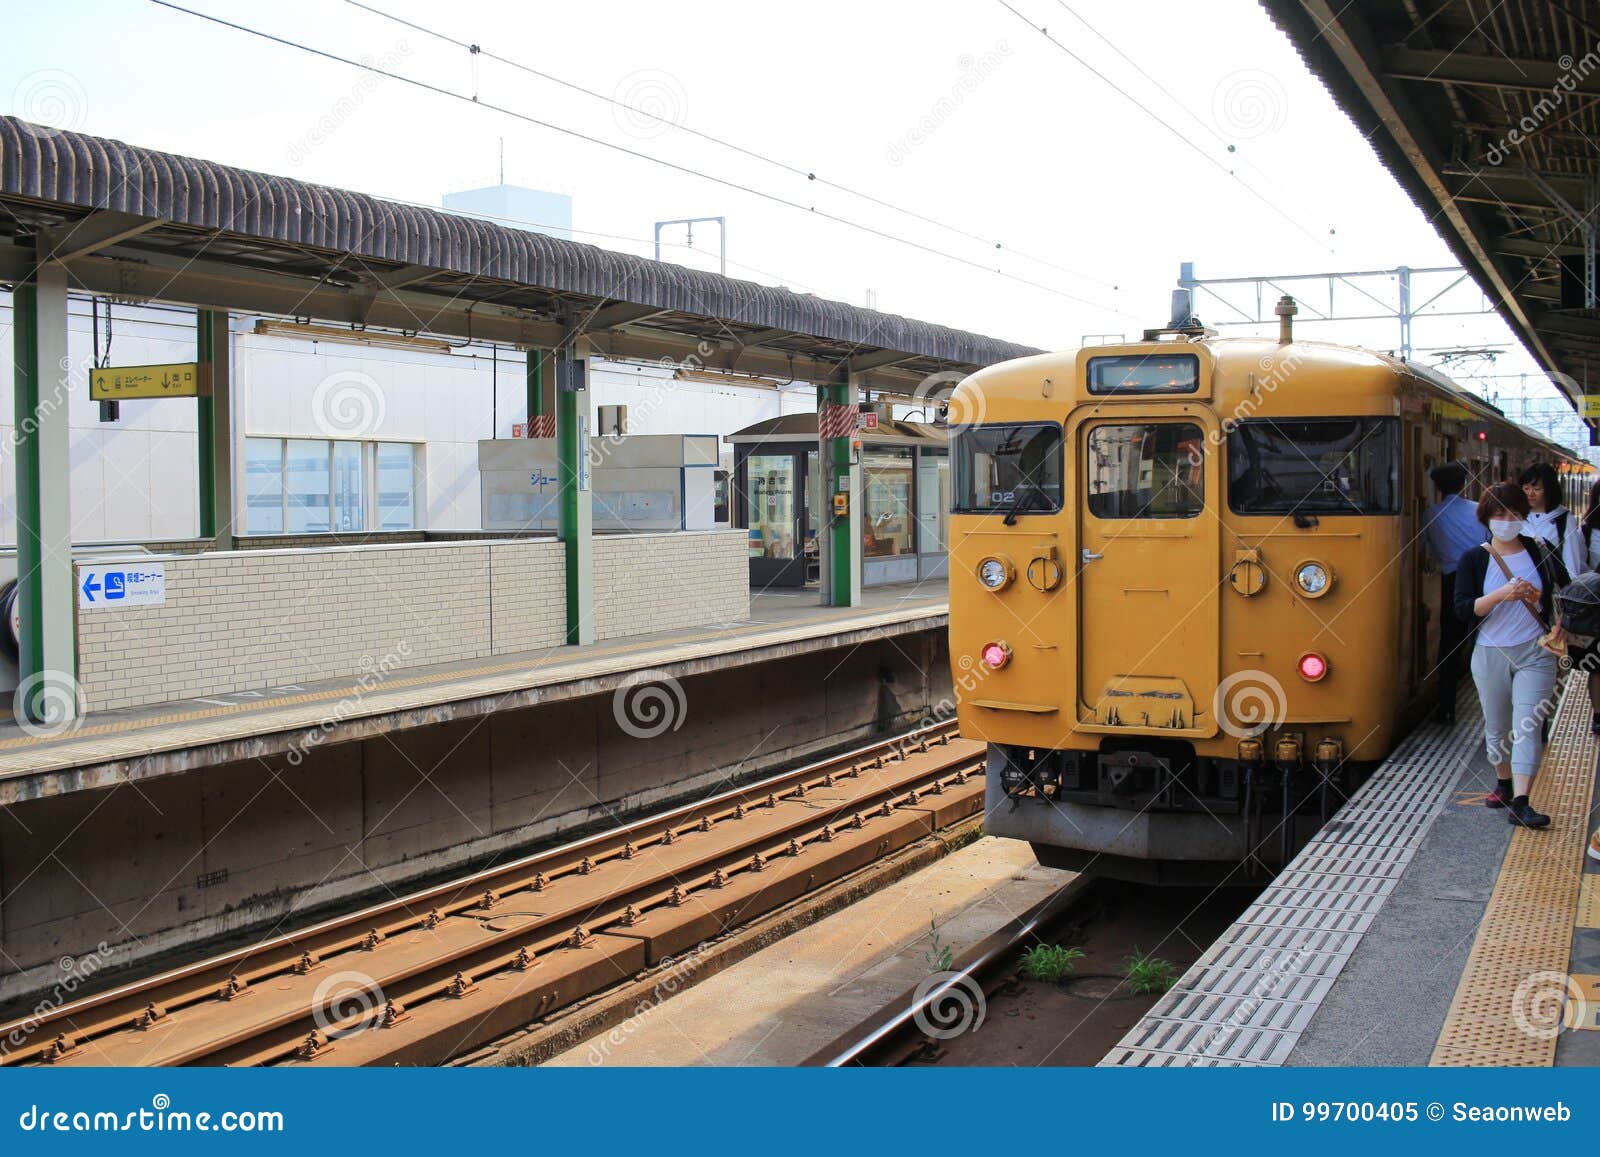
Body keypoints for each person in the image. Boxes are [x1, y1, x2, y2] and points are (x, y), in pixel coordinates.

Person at [1454, 481, 1570, 829]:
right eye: (1500, 513)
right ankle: (1503, 780)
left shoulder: (1540, 550)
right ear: (1487, 516)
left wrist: (1562, 620)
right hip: (1490, 653)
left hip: (1535, 652)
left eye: (1516, 513)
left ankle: (1522, 801)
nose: (1508, 519)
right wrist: (1502, 594)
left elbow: (1567, 590)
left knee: (1528, 726)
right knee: (1497, 727)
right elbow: (1463, 609)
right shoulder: (1474, 558)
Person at [1421, 461, 1482, 723]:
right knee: (1486, 638)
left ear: (1436, 486)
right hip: (1483, 579)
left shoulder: (1430, 515)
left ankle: (1446, 708)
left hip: (1453, 582)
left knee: (1449, 643)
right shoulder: (1479, 511)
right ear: (1464, 484)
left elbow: (1424, 550)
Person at [1520, 463, 1586, 579]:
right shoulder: (1516, 516)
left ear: (1549, 489)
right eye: (1526, 488)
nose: (1530, 493)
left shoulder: (1564, 519)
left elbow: (1571, 561)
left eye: (1537, 489)